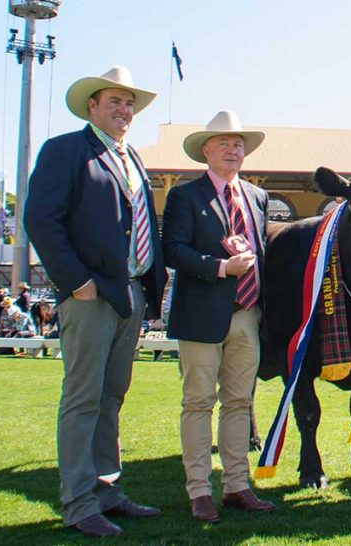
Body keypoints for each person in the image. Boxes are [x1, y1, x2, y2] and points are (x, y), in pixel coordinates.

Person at [24, 65, 167, 537]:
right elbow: (41, 220)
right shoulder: (65, 150)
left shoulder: (133, 158)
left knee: (112, 397)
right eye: (114, 102)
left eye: (129, 103)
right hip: (90, 295)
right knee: (83, 398)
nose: (124, 110)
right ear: (92, 107)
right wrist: (77, 282)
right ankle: (79, 502)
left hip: (131, 294)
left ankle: (107, 490)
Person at [161, 110, 274, 523]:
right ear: (206, 151)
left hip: (247, 314)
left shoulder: (257, 197)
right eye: (223, 143)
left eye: (238, 144)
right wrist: (221, 267)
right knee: (198, 402)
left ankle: (237, 486)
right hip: (200, 315)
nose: (232, 150)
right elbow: (172, 250)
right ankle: (199, 490)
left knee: (240, 402)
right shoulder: (185, 196)